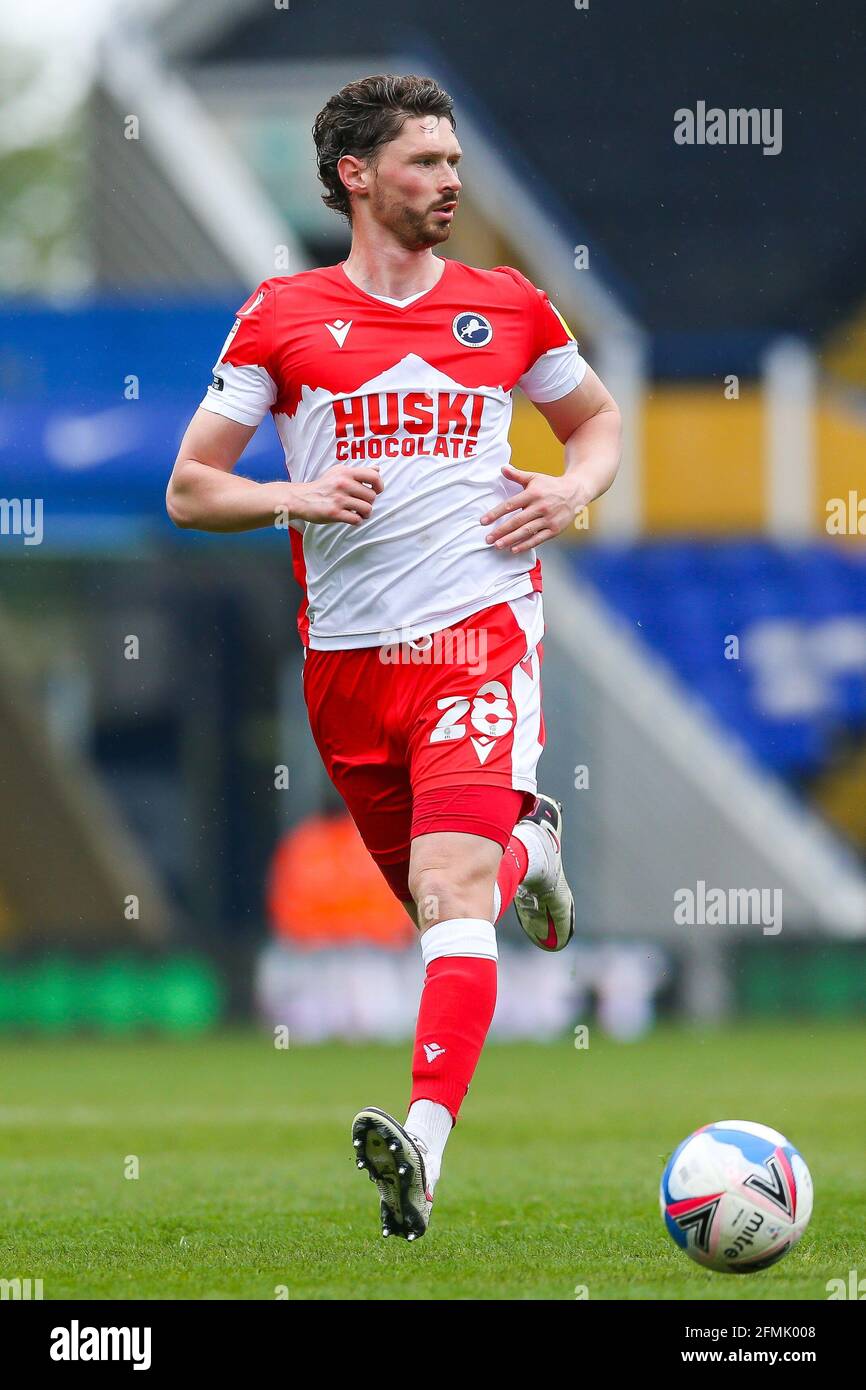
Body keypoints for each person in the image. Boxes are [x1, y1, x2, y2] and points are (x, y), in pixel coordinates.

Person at [166, 73, 621, 1242]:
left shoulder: (505, 304)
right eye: (423, 162)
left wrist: (570, 489)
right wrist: (293, 491)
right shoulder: (280, 316)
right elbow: (189, 486)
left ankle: (422, 1143)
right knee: (442, 904)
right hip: (348, 672)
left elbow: (598, 420)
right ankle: (533, 849)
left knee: (444, 893)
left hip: (478, 637)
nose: (449, 180)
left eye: (455, 160)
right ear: (355, 176)